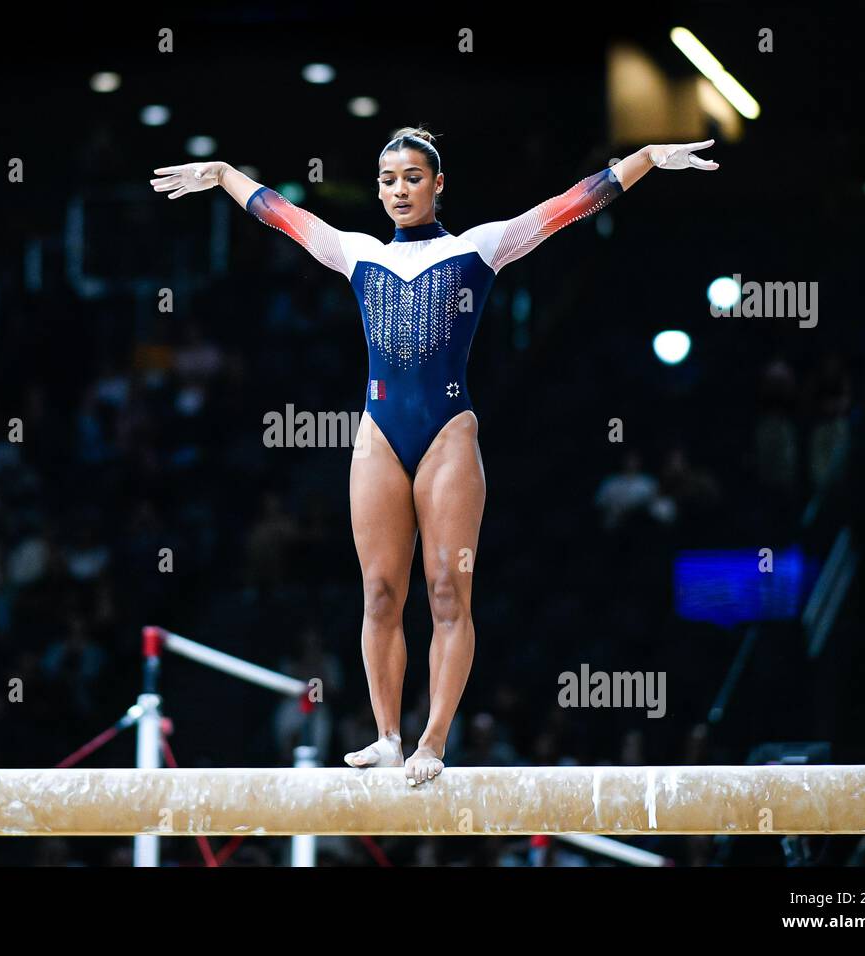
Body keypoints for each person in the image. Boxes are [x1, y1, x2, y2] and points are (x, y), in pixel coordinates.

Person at [150, 128, 717, 784]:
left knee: (448, 591)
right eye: (389, 180)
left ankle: (434, 739)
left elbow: (571, 205)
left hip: (449, 432)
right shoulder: (358, 253)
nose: (399, 190)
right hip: (379, 435)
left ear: (438, 184)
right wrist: (223, 173)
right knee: (381, 591)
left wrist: (643, 160)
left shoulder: (479, 247)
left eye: (413, 178)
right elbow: (281, 213)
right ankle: (388, 736)